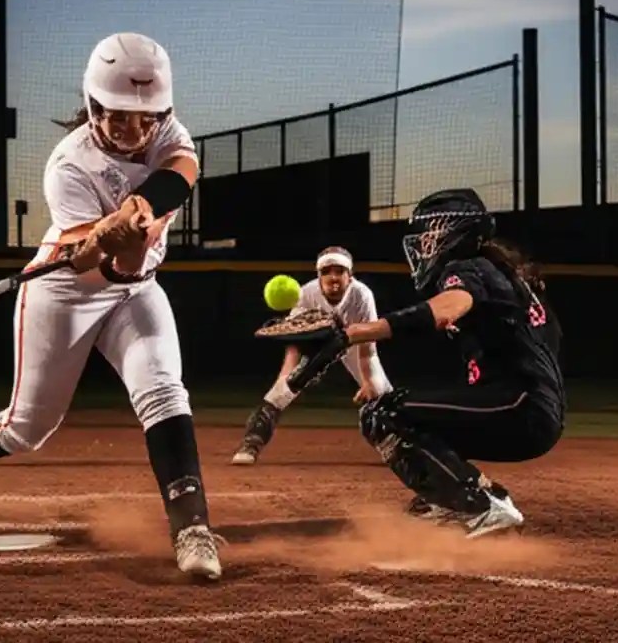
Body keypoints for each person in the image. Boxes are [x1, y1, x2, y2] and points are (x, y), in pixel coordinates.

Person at [0, 32, 224, 580]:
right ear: (93, 106)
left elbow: (181, 172)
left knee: (163, 390)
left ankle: (192, 529)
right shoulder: (68, 165)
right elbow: (101, 262)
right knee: (25, 429)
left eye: (147, 118)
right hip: (65, 291)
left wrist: (135, 214)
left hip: (134, 290)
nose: (135, 131)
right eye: (119, 116)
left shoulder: (169, 131)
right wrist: (103, 239)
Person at [292, 188, 564, 538]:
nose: (424, 243)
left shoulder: (469, 267)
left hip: (520, 406)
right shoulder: (504, 274)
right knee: (417, 420)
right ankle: (468, 498)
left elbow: (447, 307)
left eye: (431, 232)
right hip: (530, 407)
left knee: (384, 414)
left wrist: (351, 333)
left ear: (456, 231)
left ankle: (479, 507)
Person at [230, 246, 393, 465]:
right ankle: (251, 444)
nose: (333, 277)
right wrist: (286, 377)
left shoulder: (362, 295)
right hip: (318, 346)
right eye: (326, 271)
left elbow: (368, 347)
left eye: (340, 270)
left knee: (382, 394)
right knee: (281, 391)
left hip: (355, 342)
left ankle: (395, 448)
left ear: (350, 275)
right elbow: (295, 343)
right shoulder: (305, 294)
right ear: (318, 276)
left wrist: (367, 382)